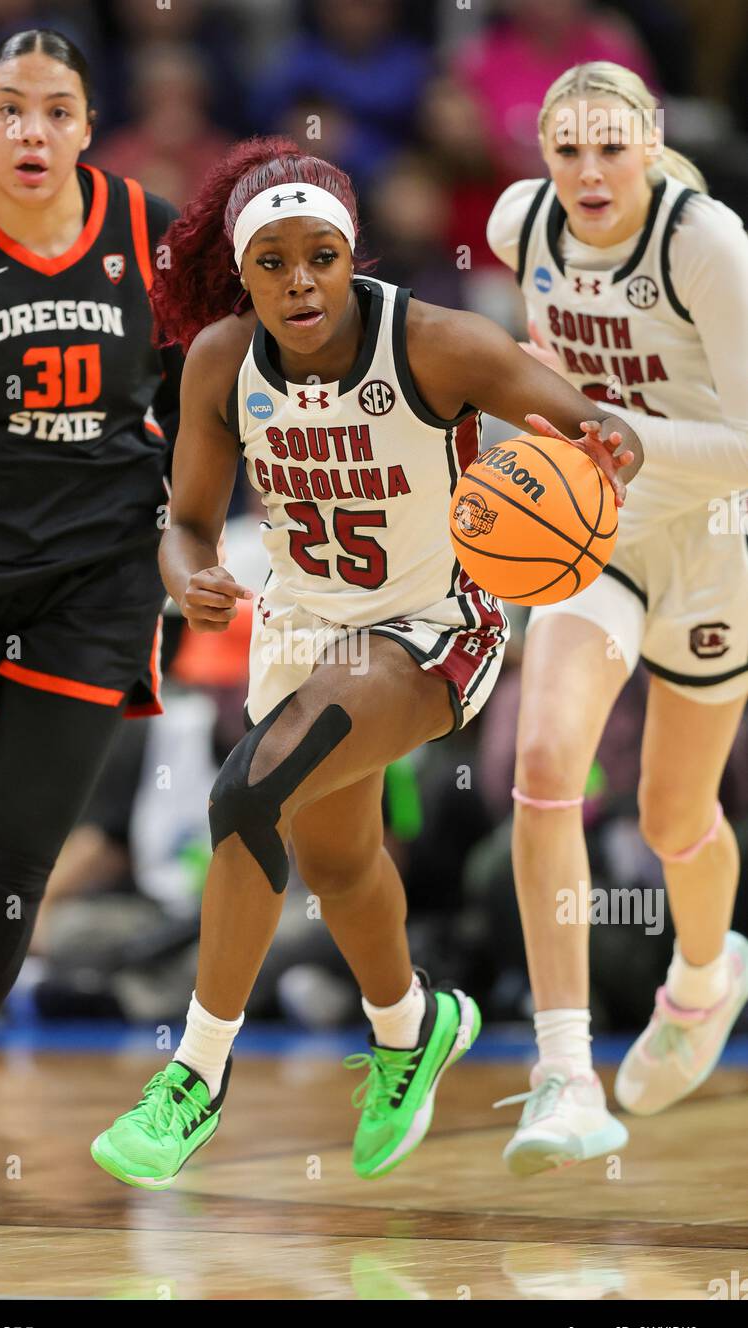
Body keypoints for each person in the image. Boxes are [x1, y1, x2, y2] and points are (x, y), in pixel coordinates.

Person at [90, 134, 642, 1190]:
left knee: (244, 794)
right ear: (243, 274)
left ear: (352, 257)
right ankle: (413, 1024)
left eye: (320, 256)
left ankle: (194, 1074)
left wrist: (604, 440)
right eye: (273, 262)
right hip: (304, 626)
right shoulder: (219, 361)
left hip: (432, 624)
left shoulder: (436, 342)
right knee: (336, 861)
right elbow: (189, 522)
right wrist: (187, 574)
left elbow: (579, 419)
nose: (299, 281)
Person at [0, 29, 181, 1201]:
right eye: (10, 110)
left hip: (99, 585)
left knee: (10, 870)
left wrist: (192, 537)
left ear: (88, 126)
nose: (31, 134)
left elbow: (218, 382)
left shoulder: (147, 234)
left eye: (56, 111)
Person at [487, 61, 748, 1176]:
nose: (586, 170)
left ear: (648, 142)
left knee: (669, 816)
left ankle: (700, 981)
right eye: (565, 148)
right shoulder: (517, 222)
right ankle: (561, 1072)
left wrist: (617, 429)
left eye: (609, 145)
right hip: (592, 529)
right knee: (543, 766)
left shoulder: (707, 245)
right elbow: (539, 355)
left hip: (711, 537)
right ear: (541, 153)